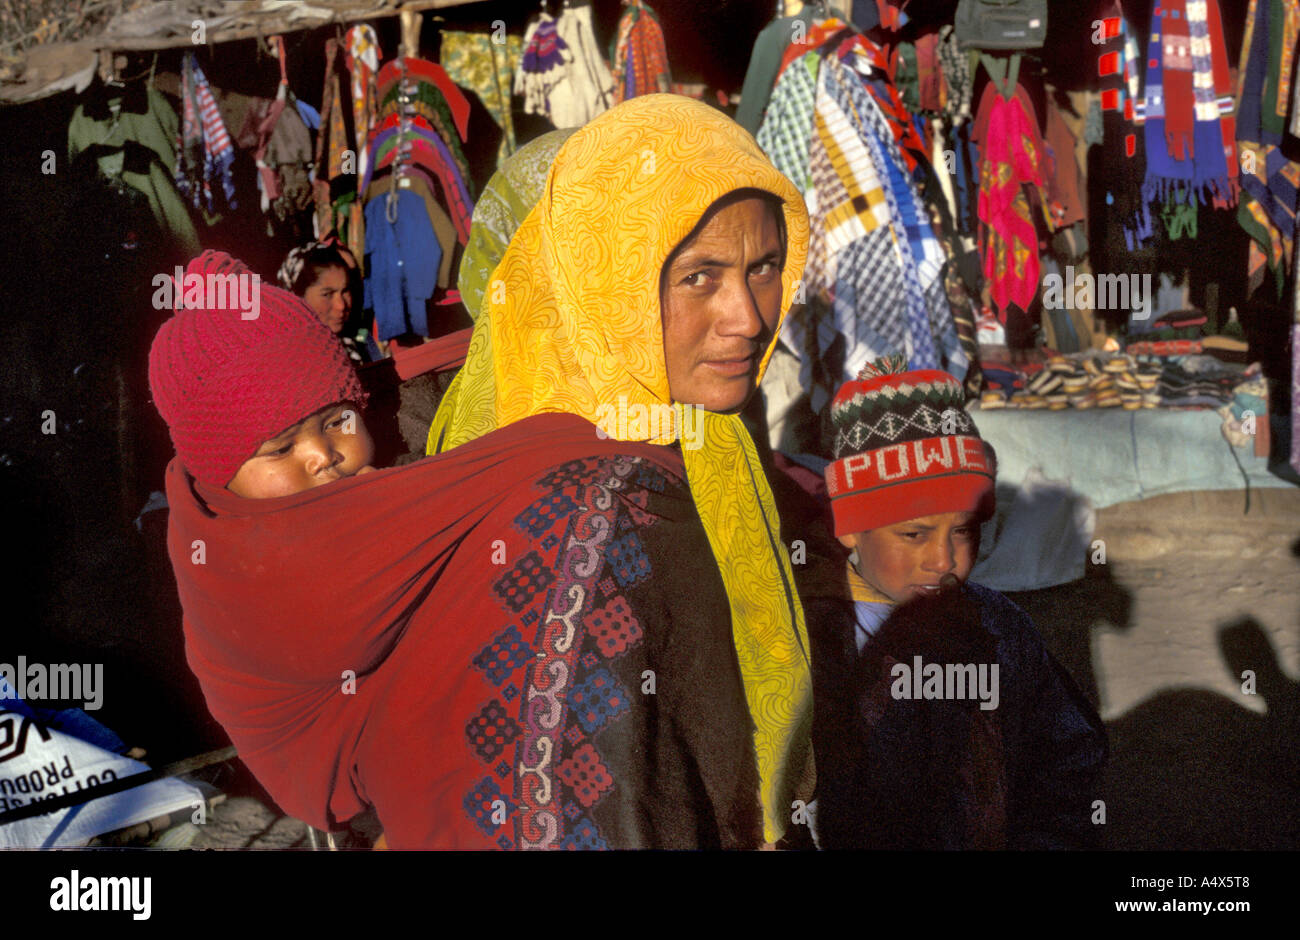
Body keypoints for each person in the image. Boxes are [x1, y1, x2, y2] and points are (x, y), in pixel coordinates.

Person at [151, 94, 815, 850]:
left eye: (766, 267)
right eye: (698, 276)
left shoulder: (643, 441)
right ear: (601, 271)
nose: (750, 317)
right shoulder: (592, 496)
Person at [805, 355, 1107, 849]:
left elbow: (1064, 755)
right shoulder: (804, 640)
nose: (943, 559)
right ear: (850, 529)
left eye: (963, 531)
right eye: (914, 533)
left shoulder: (998, 624)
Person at [277, 236, 369, 362]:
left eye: (345, 291)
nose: (341, 305)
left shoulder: (358, 343)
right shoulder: (293, 360)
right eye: (327, 294)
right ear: (298, 299)